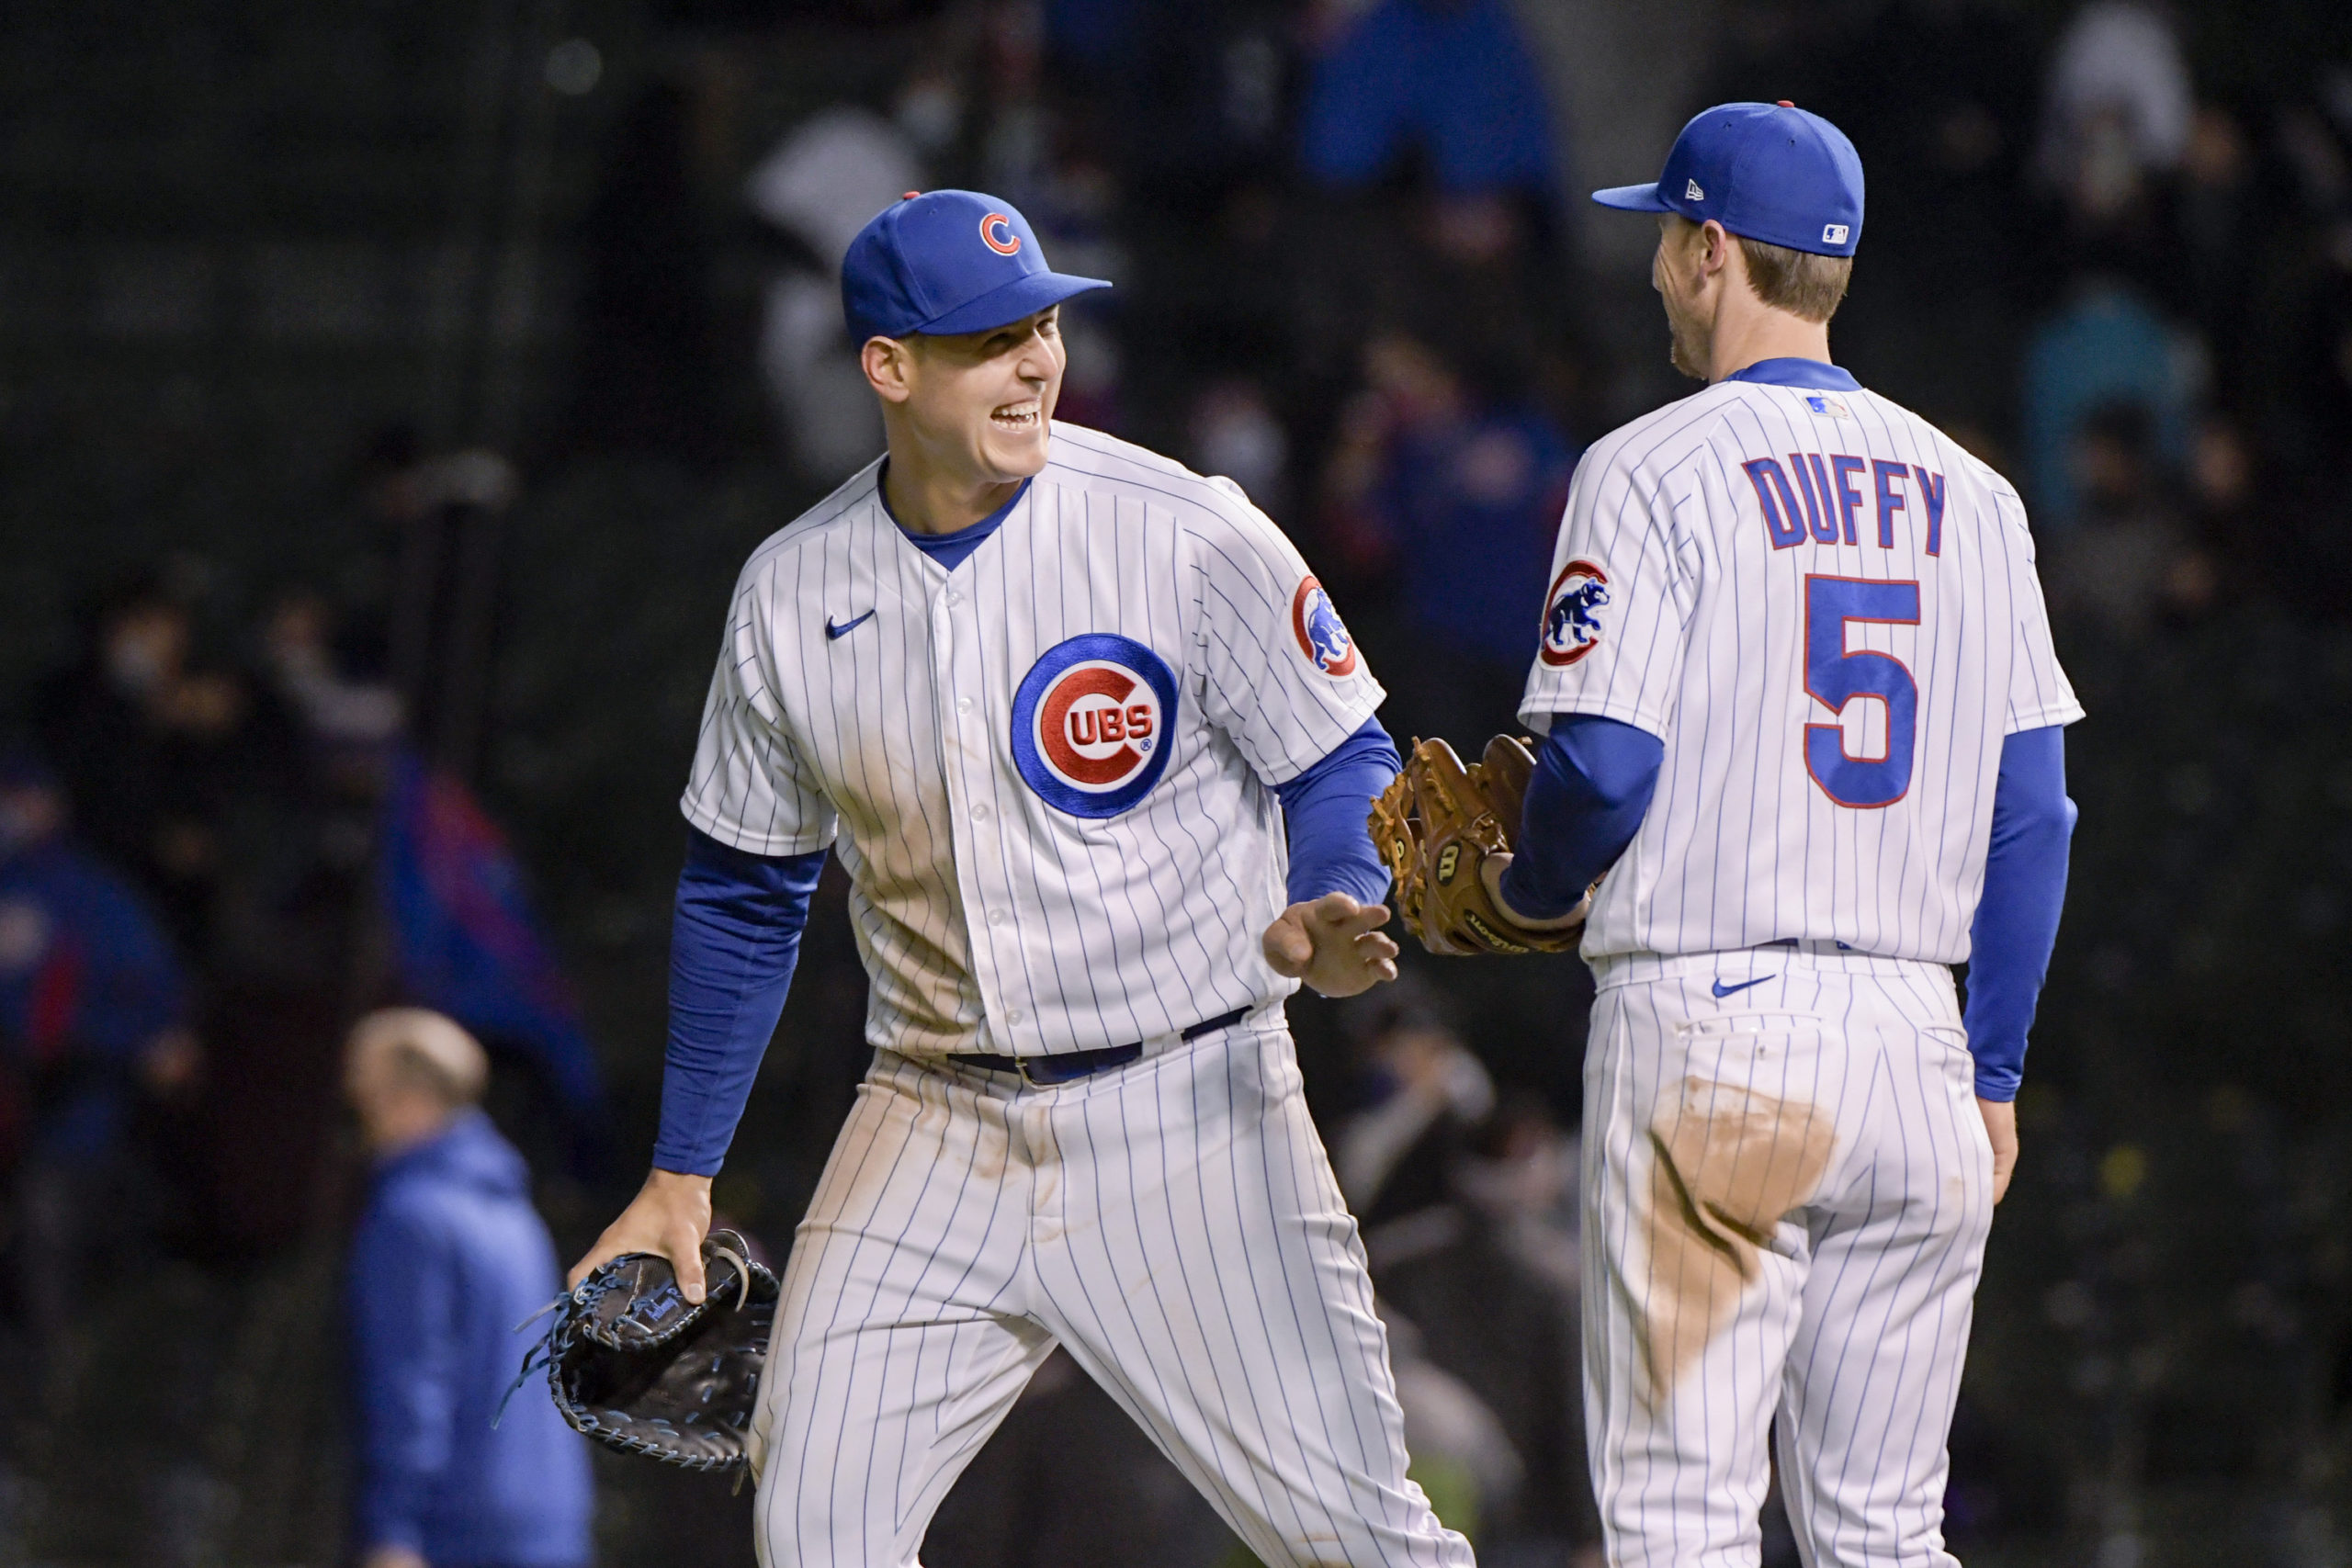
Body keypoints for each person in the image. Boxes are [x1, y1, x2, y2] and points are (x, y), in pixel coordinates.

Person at [567, 188, 1471, 1567]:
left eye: (1041, 325)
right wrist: (680, 1173)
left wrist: (1336, 885)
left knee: (1357, 1541)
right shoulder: (790, 591)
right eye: (989, 339)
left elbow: (1340, 752)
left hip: (1188, 1109)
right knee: (814, 1532)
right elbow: (746, 890)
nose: (1035, 360)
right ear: (889, 367)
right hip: (930, 1116)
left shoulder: (1182, 528)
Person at [1478, 105, 2081, 1564]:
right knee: (1887, 1532)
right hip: (1920, 1048)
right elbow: (2035, 815)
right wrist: (1992, 1071)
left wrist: (1528, 882)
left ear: (1708, 250)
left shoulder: (1648, 466)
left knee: (1681, 1523)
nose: (1655, 270)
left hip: (1714, 1035)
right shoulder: (1979, 495)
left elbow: (1602, 770)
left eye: (1665, 238)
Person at [344, 1009, 592, 1568]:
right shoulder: (516, 1215)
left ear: (404, 1096)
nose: (355, 1107)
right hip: (549, 1525)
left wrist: (394, 1531)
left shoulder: (411, 1217)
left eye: (362, 1091)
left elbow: (413, 1380)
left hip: (454, 1534)